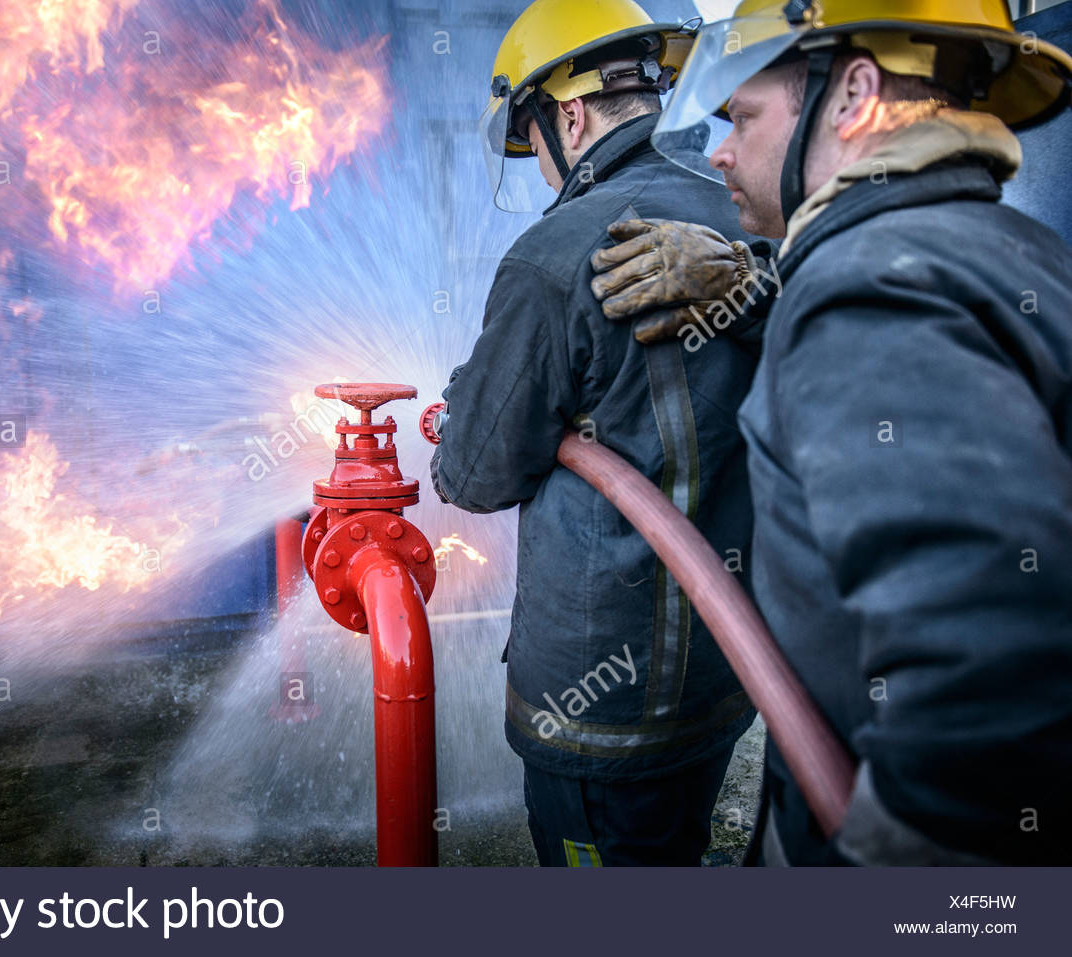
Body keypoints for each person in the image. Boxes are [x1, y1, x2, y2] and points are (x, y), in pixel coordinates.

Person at [590, 0, 1072, 864]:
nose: (720, 151)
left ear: (851, 94)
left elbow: (989, 692)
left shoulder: (867, 295)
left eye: (741, 115)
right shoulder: (1022, 255)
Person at [431, 0, 768, 866]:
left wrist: (469, 395)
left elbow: (473, 473)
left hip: (600, 708)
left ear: (567, 115)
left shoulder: (555, 256)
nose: (542, 171)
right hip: (726, 672)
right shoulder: (748, 221)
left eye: (535, 144)